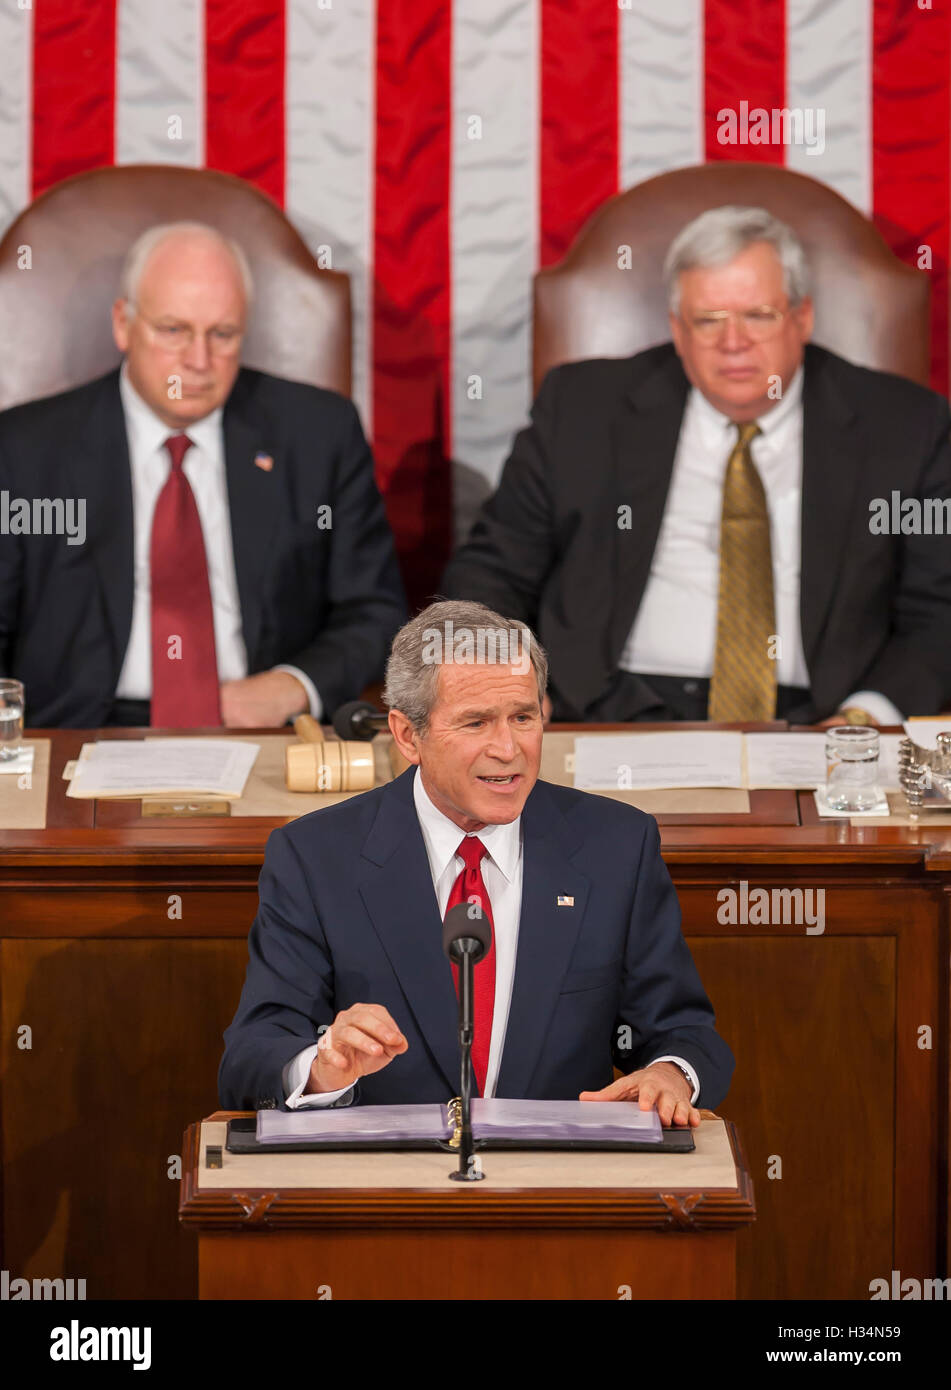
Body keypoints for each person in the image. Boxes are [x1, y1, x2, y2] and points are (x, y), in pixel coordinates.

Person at [219, 600, 733, 1124]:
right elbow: (251, 1058)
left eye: (523, 717)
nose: (508, 749)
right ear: (407, 736)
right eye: (476, 723)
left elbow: (684, 1031)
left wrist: (670, 1074)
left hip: (558, 1186)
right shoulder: (315, 857)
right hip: (389, 1188)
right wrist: (322, 1071)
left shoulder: (616, 846)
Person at [443, 205, 951, 725]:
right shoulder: (581, 408)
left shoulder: (906, 427)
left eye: (758, 315)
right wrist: (508, 685)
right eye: (708, 320)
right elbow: (491, 571)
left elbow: (938, 611)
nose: (734, 343)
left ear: (802, 317)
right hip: (602, 709)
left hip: (820, 718)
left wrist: (865, 717)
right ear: (677, 330)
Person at [0, 221, 406, 728]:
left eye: (222, 334)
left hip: (261, 733)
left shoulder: (318, 434)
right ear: (123, 324)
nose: (198, 361)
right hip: (76, 735)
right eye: (173, 330)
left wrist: (293, 685)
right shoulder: (26, 450)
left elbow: (374, 611)